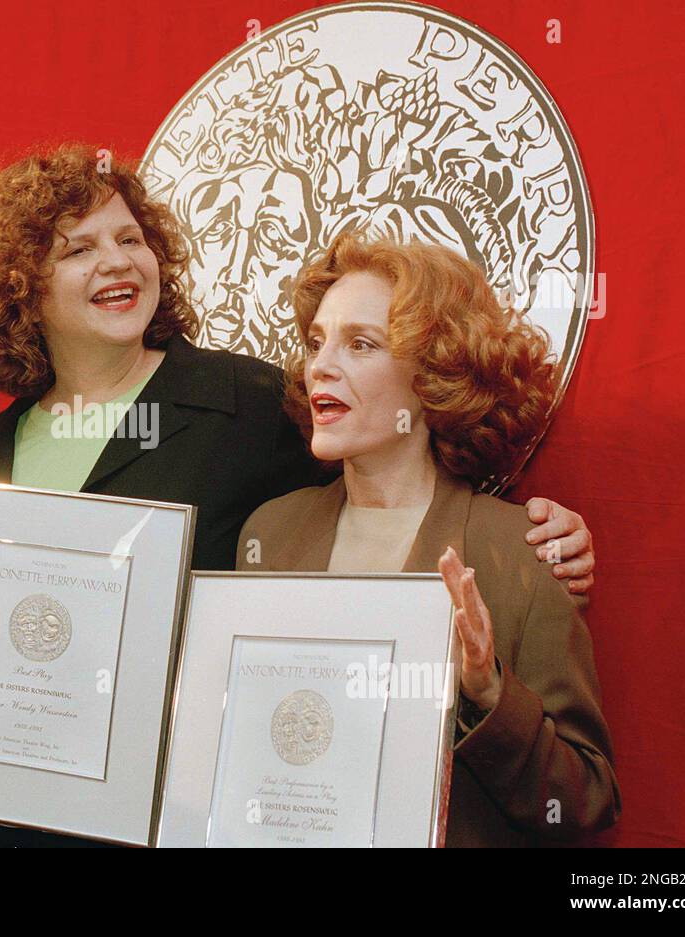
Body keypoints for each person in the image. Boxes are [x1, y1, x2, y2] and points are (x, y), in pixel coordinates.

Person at [0, 144, 598, 846]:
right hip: (5, 815)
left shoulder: (253, 409)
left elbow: (403, 482)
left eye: (131, 238)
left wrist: (540, 539)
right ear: (23, 287)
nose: (116, 260)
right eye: (78, 248)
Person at [237, 231, 620, 846]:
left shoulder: (526, 552)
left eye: (359, 344)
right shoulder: (269, 532)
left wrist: (490, 693)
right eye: (316, 341)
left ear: (433, 377)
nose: (320, 365)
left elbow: (583, 801)